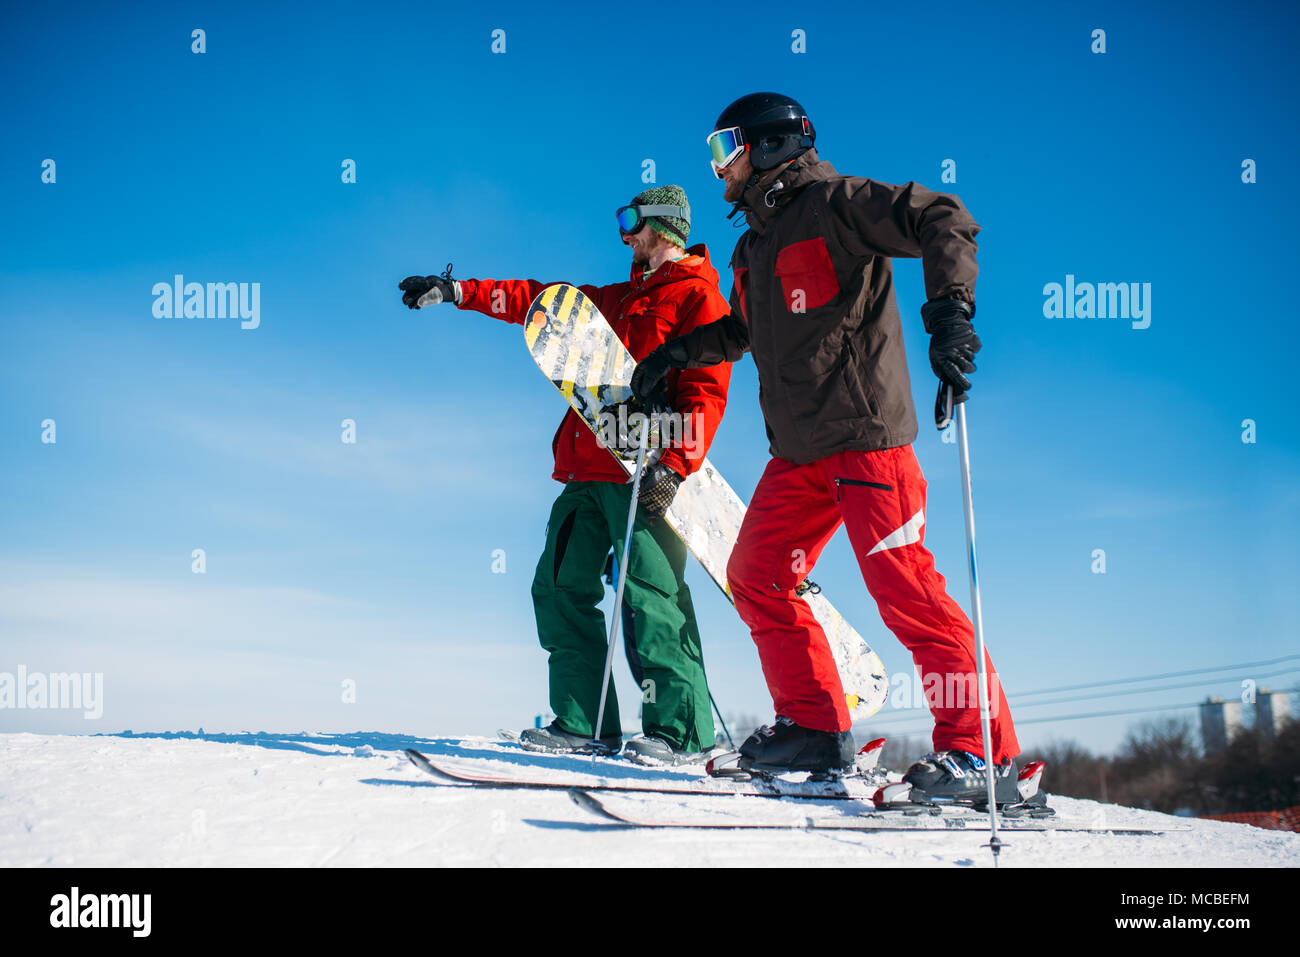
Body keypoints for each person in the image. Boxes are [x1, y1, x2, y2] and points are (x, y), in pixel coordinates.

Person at [632, 93, 1022, 799]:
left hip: (867, 440)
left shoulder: (838, 204)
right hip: (800, 454)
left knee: (907, 592)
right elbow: (748, 330)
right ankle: (814, 727)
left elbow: (945, 218)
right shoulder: (752, 245)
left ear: (768, 146)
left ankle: (979, 752)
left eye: (726, 150)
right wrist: (676, 354)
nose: (717, 169)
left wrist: (949, 313)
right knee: (755, 571)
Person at [399, 185, 733, 766]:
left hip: (644, 476)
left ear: (662, 227)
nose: (624, 233)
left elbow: (706, 393)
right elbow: (537, 302)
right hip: (584, 470)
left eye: (631, 220)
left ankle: (681, 732)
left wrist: (675, 468)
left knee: (651, 597)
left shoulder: (699, 300)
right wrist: (457, 291)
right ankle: (584, 722)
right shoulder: (615, 297)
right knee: (558, 588)